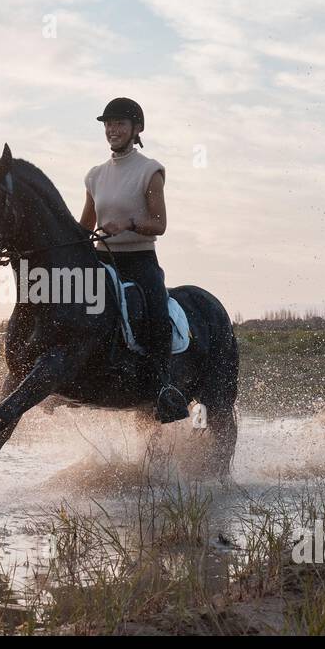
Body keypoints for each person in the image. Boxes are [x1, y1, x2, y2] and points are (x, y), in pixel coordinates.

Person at [78, 97, 189, 423]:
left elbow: (160, 224)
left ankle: (163, 389)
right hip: (102, 260)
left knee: (155, 312)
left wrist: (126, 225)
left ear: (136, 129)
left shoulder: (149, 171)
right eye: (108, 125)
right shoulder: (95, 176)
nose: (112, 130)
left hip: (139, 260)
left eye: (119, 124)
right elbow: (84, 227)